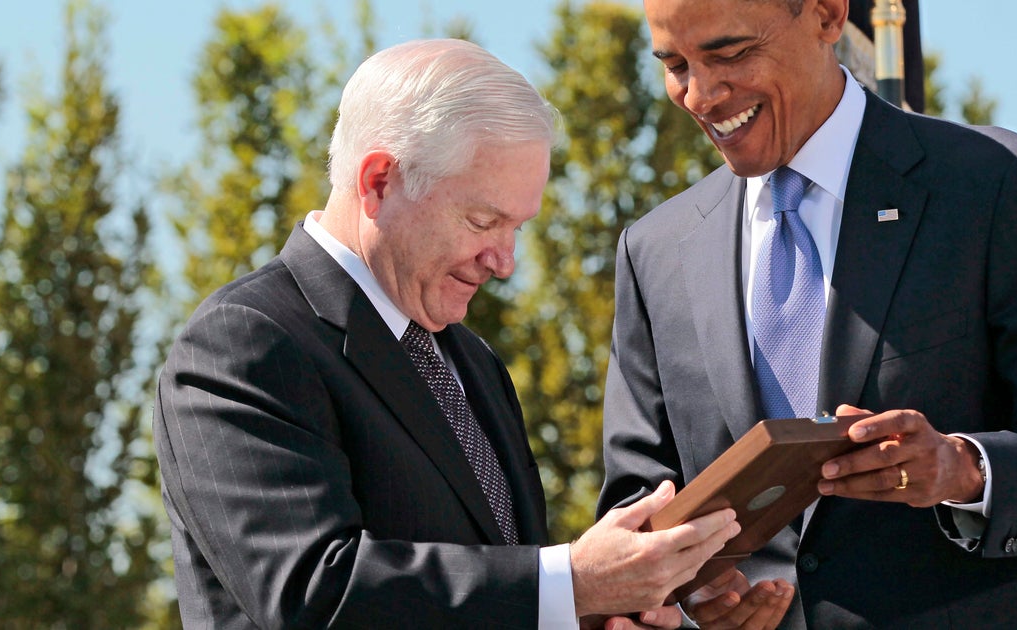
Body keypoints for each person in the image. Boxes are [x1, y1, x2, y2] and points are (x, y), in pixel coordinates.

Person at [153, 39, 750, 629]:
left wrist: (601, 609)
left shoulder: (471, 361)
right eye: (484, 221)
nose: (505, 261)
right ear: (380, 180)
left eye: (517, 227)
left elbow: (496, 587)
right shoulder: (243, 343)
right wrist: (574, 582)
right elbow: (315, 593)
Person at [597, 0, 1017, 628]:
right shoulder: (654, 251)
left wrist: (961, 469)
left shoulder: (994, 184)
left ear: (829, 16)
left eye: (730, 53)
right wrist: (691, 601)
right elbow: (638, 511)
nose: (700, 94)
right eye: (674, 65)